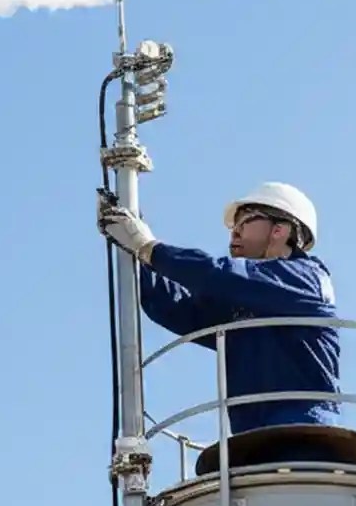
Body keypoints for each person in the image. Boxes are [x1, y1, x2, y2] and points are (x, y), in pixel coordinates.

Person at [97, 181, 340, 436]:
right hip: (252, 437)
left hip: (307, 430)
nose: (234, 234)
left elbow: (215, 275)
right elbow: (173, 307)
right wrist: (133, 249)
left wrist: (149, 248)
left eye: (244, 222)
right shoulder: (243, 302)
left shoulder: (306, 278)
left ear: (279, 230)